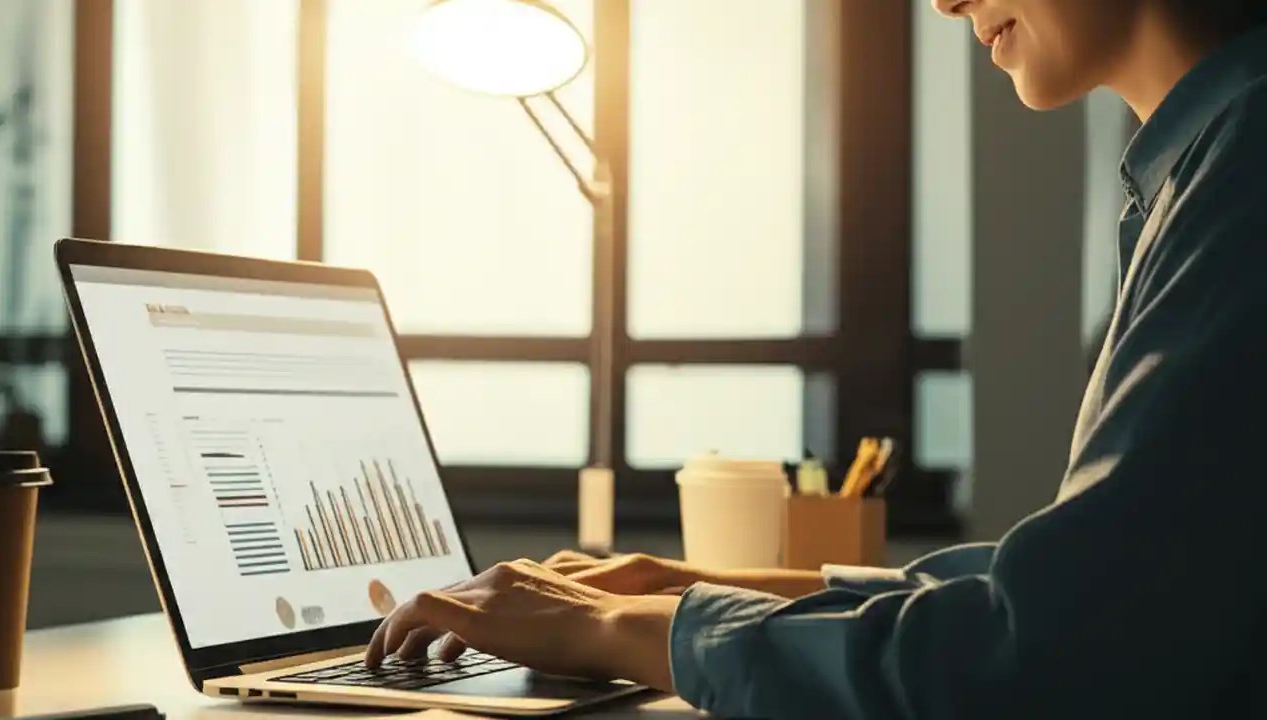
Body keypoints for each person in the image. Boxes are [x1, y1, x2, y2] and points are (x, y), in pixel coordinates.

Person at [366, 1, 1267, 716]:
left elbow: (1046, 651)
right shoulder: (1203, 161)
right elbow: (1088, 582)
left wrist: (620, 626)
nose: (944, 3)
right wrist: (697, 584)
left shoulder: (1247, 163)